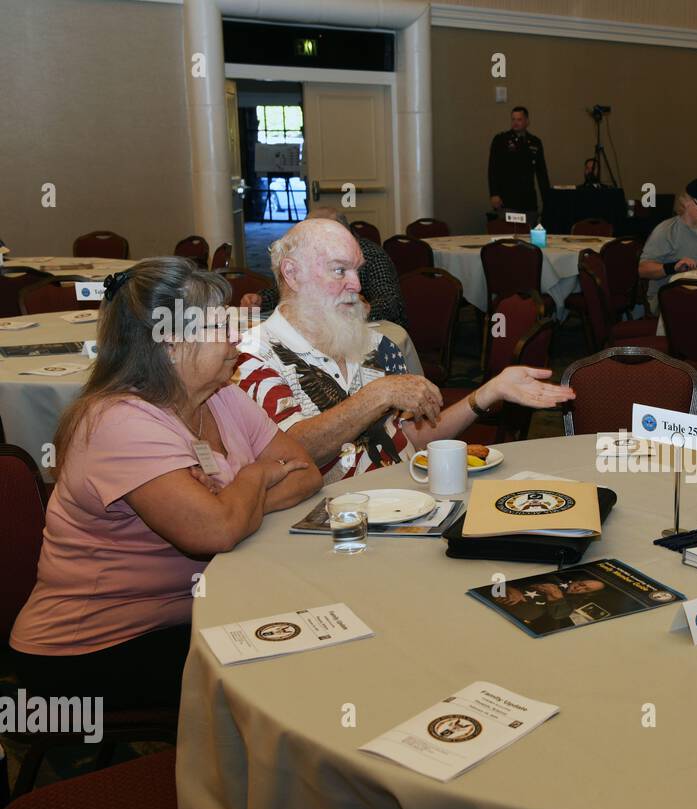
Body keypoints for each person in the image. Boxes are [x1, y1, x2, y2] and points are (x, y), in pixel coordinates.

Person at [7, 259, 322, 708]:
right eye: (218, 324)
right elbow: (213, 533)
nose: (236, 334)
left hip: (196, 609)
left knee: (317, 630)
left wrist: (236, 505)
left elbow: (305, 471)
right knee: (285, 673)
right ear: (171, 345)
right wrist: (254, 476)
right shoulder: (118, 423)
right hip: (98, 643)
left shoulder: (222, 396)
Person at [235, 218, 573, 483]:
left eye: (357, 270)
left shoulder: (373, 344)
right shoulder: (252, 356)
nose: (356, 284)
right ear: (292, 274)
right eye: (340, 270)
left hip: (408, 507)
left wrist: (489, 391)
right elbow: (292, 452)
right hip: (333, 531)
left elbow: (410, 436)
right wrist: (377, 395)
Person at [241, 207, 407, 329]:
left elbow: (390, 302)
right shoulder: (310, 255)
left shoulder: (370, 255)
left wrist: (358, 310)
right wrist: (261, 300)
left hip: (371, 332)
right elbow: (295, 286)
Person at [638, 177, 697, 311]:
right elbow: (643, 270)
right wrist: (673, 267)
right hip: (670, 301)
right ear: (686, 202)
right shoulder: (667, 231)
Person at [488, 106, 550, 218]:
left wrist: (547, 199)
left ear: (527, 121)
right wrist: (494, 194)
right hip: (507, 198)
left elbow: (541, 173)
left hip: (528, 199)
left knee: (528, 232)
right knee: (510, 233)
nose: (515, 122)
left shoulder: (535, 142)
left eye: (519, 119)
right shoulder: (501, 140)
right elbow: (493, 169)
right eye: (513, 119)